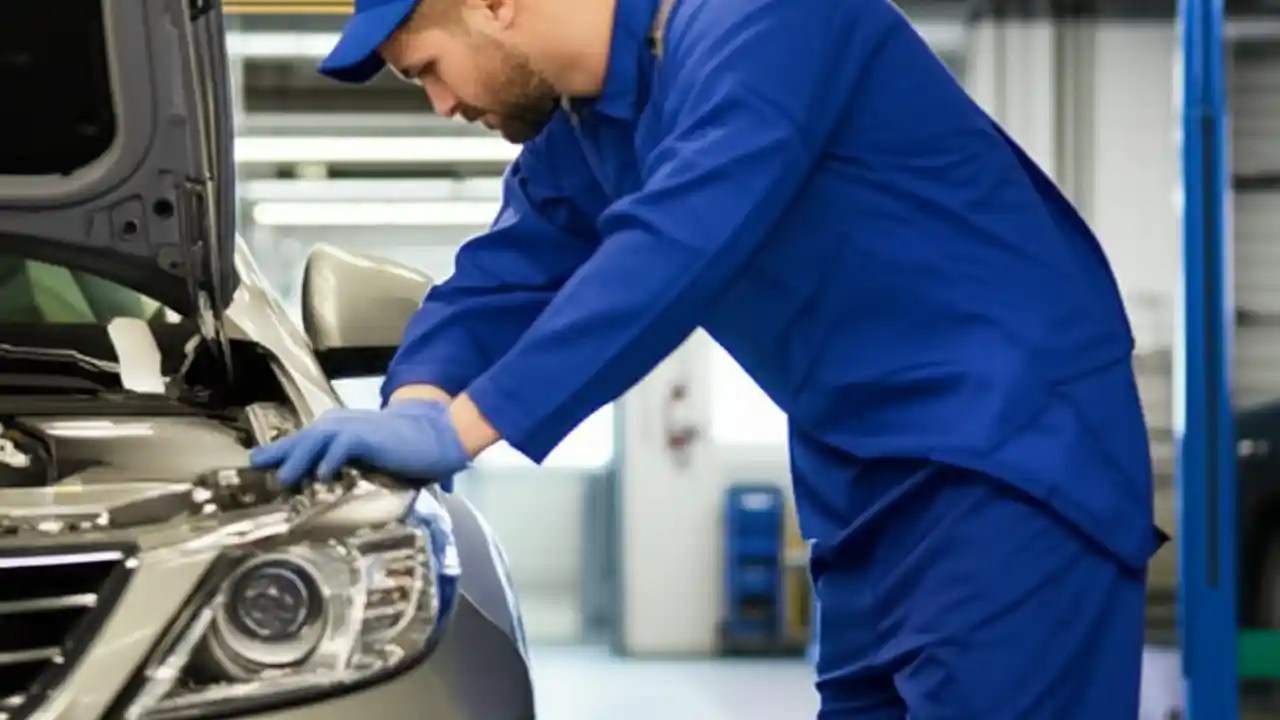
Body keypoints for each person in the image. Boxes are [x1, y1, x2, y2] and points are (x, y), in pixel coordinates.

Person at [249, 0, 1166, 716]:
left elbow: (678, 242)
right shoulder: (584, 134)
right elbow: (495, 281)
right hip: (861, 475)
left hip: (1003, 449)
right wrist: (416, 397)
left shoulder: (761, 20)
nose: (443, 104)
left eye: (427, 71)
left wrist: (464, 427)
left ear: (496, 5)